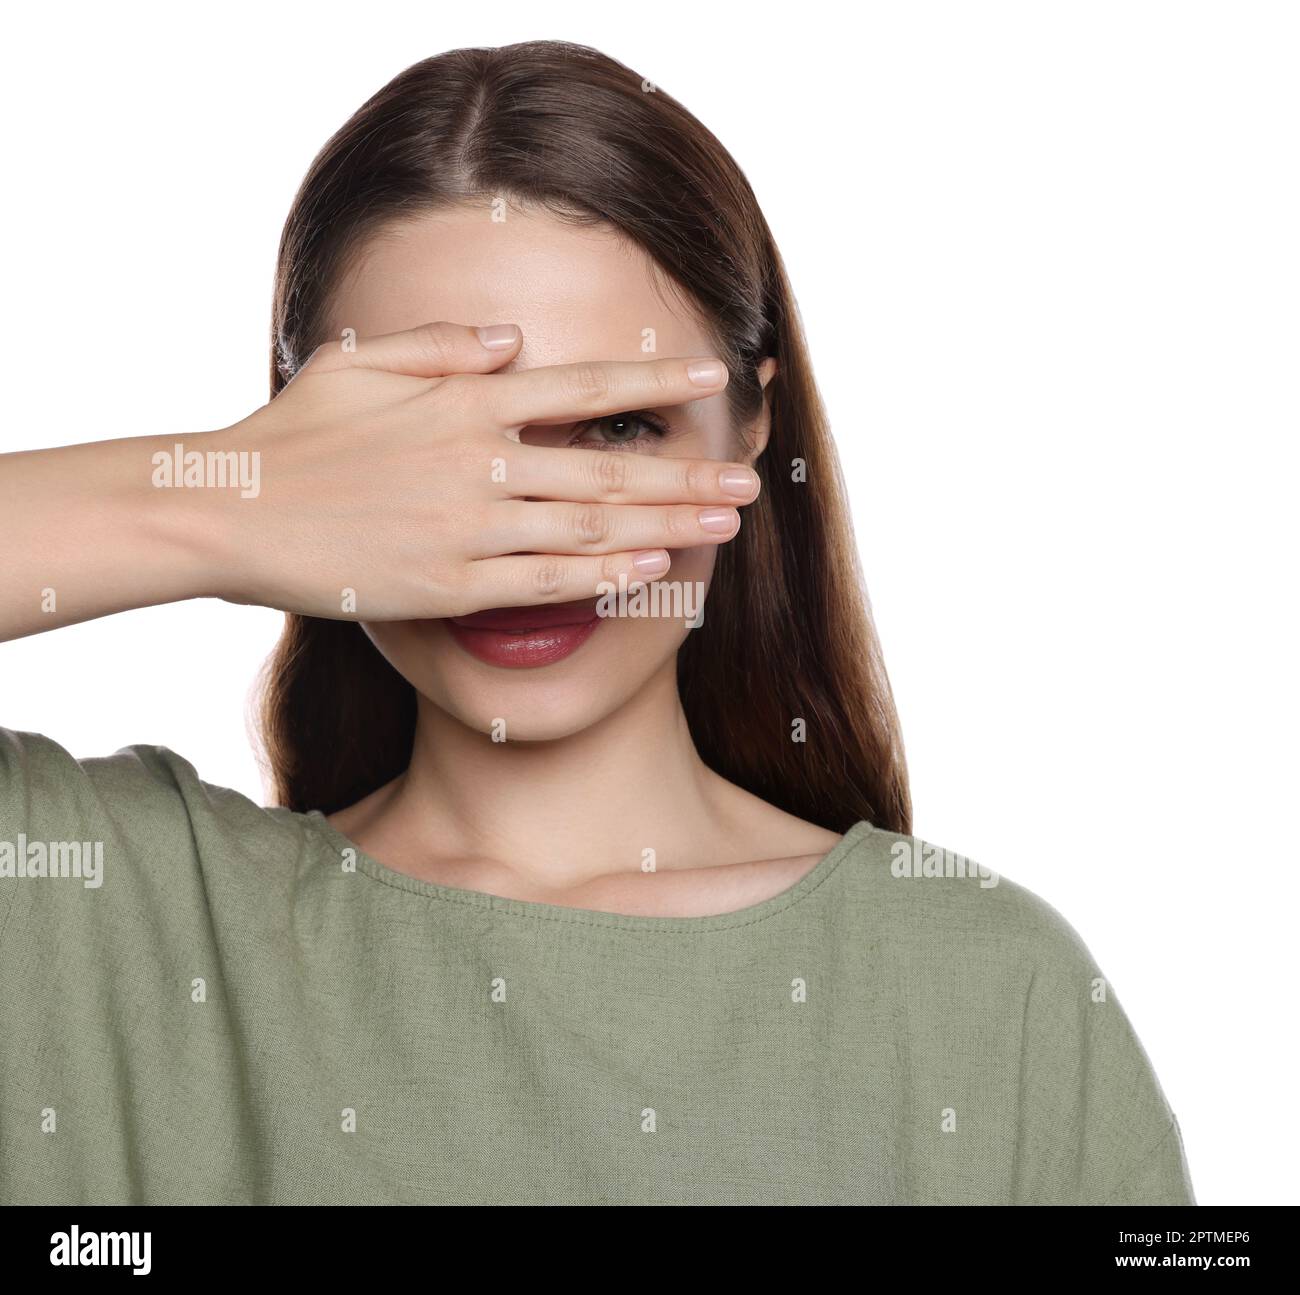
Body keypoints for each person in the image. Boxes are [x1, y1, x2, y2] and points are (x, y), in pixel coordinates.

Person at [0, 40, 1193, 1205]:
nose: (523, 537)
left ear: (749, 425)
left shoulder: (987, 993)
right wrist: (221, 499)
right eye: (435, 442)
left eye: (620, 428)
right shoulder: (105, 912)